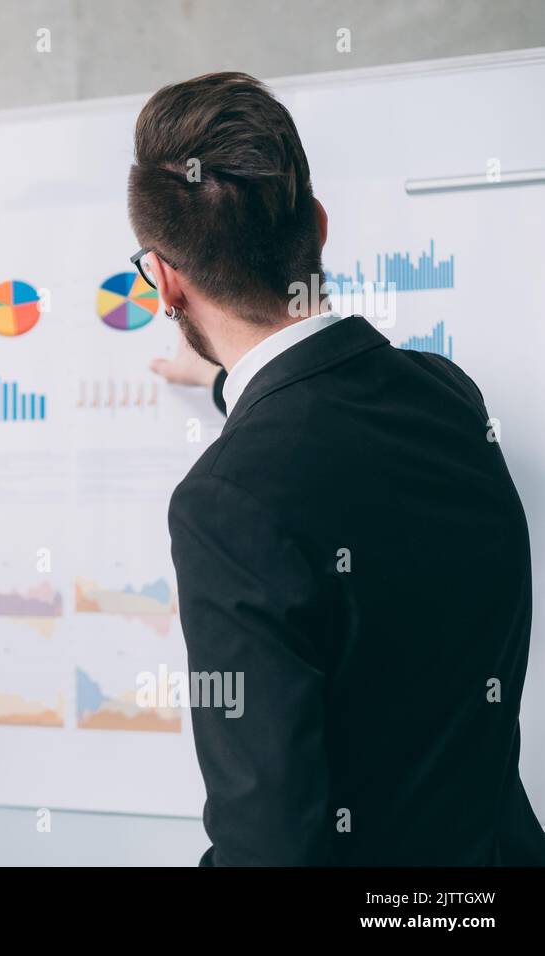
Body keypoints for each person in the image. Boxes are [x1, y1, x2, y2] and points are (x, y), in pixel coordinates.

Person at [132, 72, 545, 865]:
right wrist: (226, 381)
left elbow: (271, 841)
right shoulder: (446, 395)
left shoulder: (223, 500)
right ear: (317, 226)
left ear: (165, 282)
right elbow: (326, 433)